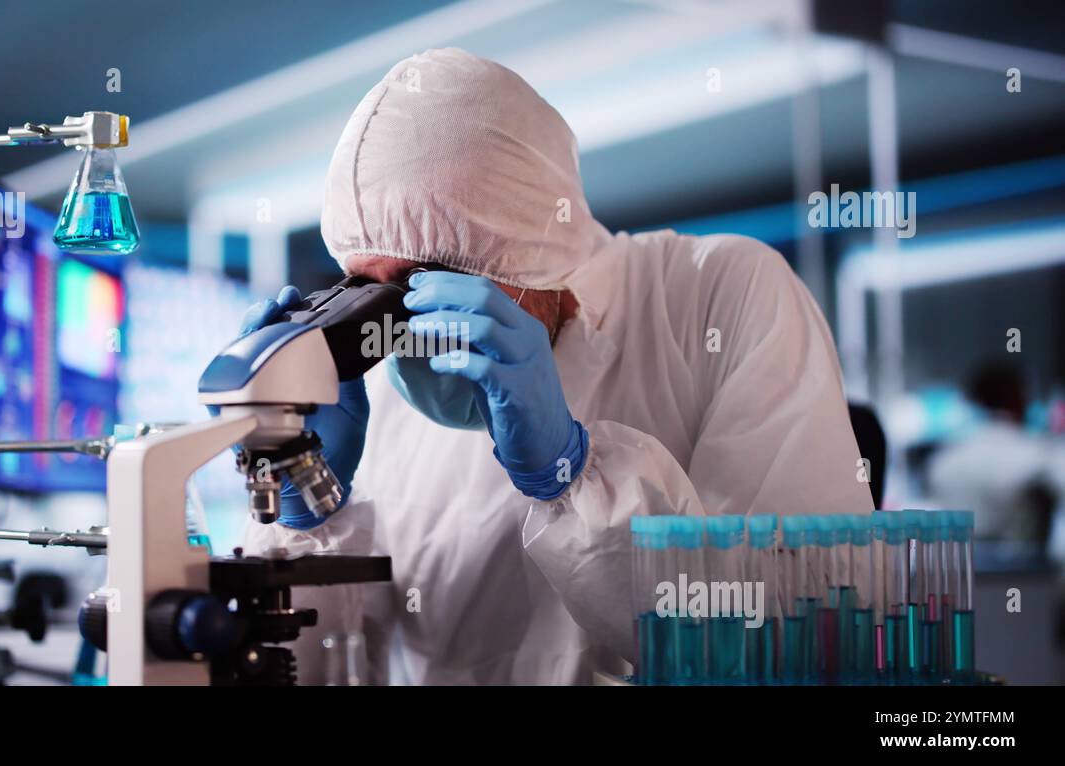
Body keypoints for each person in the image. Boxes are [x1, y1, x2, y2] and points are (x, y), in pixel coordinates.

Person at [234, 48, 873, 684]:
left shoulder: (718, 295)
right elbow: (322, 672)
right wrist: (306, 524)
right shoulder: (375, 403)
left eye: (426, 282)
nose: (401, 332)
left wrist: (573, 475)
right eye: (364, 289)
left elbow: (802, 647)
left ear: (533, 252)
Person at [928, 362, 1065, 546]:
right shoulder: (1039, 456)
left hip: (957, 567)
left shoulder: (943, 459)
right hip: (1026, 570)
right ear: (1019, 398)